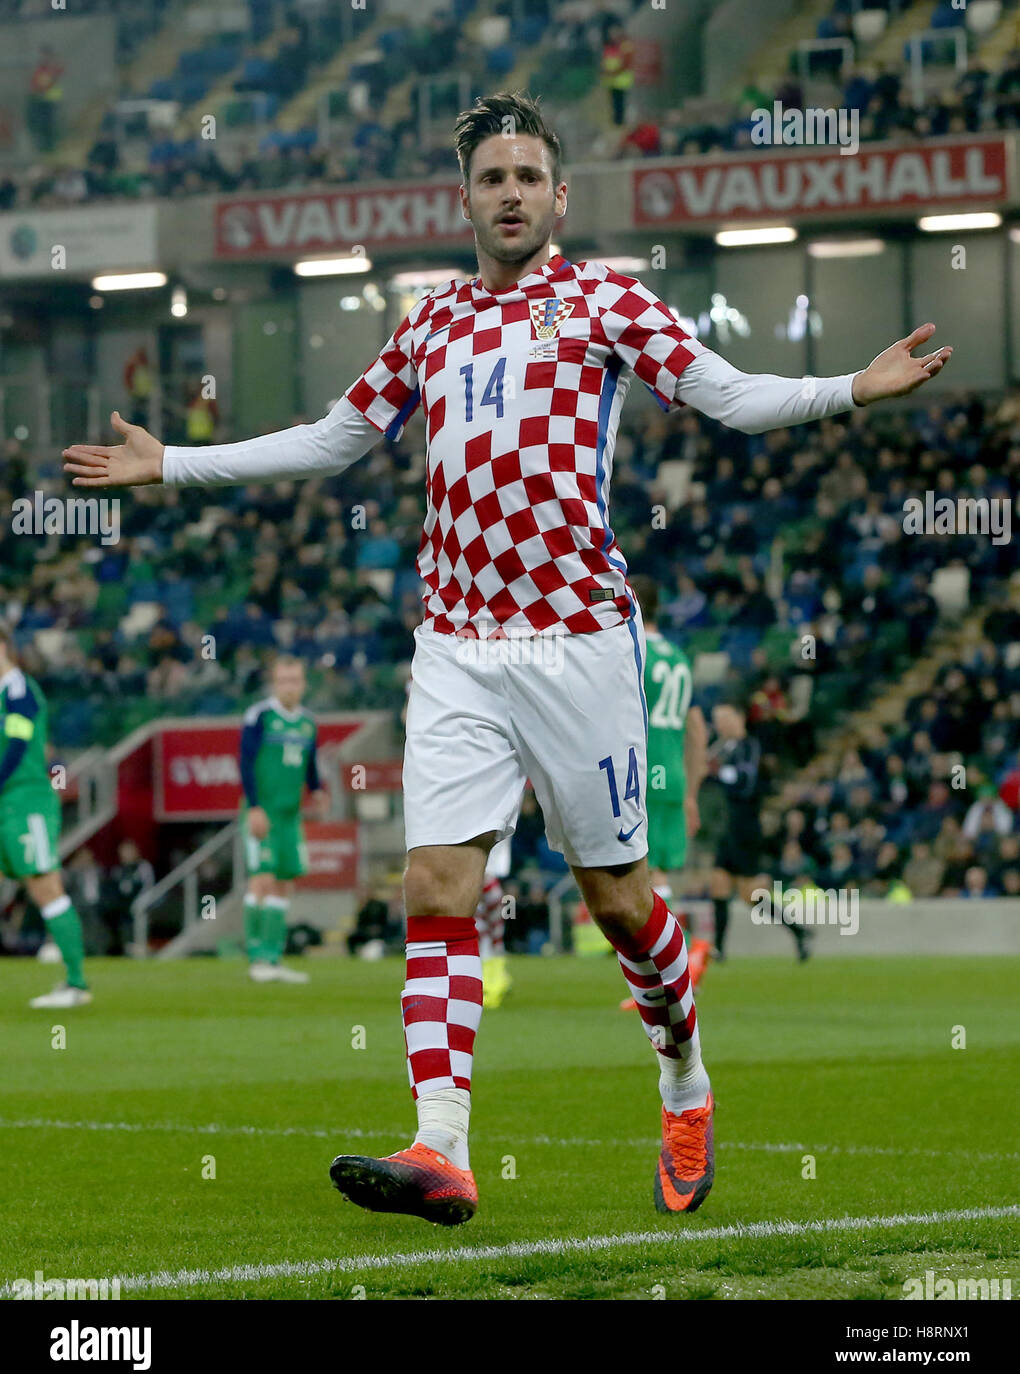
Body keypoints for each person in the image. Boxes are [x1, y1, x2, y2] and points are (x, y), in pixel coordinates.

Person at [64, 89, 953, 1226]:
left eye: (530, 175)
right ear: (468, 197)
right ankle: (442, 1146)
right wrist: (176, 464)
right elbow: (334, 438)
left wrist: (847, 390)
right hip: (458, 644)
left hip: (578, 637)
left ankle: (684, 1076)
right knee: (436, 883)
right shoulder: (429, 323)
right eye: (493, 178)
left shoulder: (606, 302)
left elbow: (728, 396)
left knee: (619, 903)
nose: (512, 193)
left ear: (559, 195)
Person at [619, 575, 709, 1010]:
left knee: (644, 877)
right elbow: (697, 728)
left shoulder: (633, 651)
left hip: (642, 773)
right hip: (672, 774)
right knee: (662, 877)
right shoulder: (679, 658)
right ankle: (675, 968)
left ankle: (678, 961)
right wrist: (691, 791)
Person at [0, 624, 91, 1008]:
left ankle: (76, 983)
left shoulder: (19, 691)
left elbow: (18, 746)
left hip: (27, 801)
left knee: (45, 886)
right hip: (7, 801)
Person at [239, 654, 328, 983]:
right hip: (263, 810)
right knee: (261, 879)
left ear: (303, 684)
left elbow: (310, 763)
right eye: (283, 681)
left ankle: (273, 959)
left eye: (295, 680)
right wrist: (254, 806)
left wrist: (316, 790)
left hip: (291, 816)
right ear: (274, 684)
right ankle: (256, 958)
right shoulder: (260, 716)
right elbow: (246, 762)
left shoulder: (308, 723)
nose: (290, 687)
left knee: (283, 882)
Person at [707, 703, 764, 961]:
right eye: (716, 719)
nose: (719, 724)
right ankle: (719, 948)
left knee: (749, 895)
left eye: (724, 717)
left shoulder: (750, 746)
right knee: (718, 884)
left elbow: (746, 783)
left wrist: (716, 772)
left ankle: (799, 931)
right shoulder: (723, 747)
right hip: (728, 825)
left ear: (738, 718)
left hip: (745, 827)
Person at [475, 834, 513, 1007]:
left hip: (487, 879)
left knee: (487, 930)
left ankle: (492, 983)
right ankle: (497, 978)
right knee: (492, 932)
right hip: (493, 880)